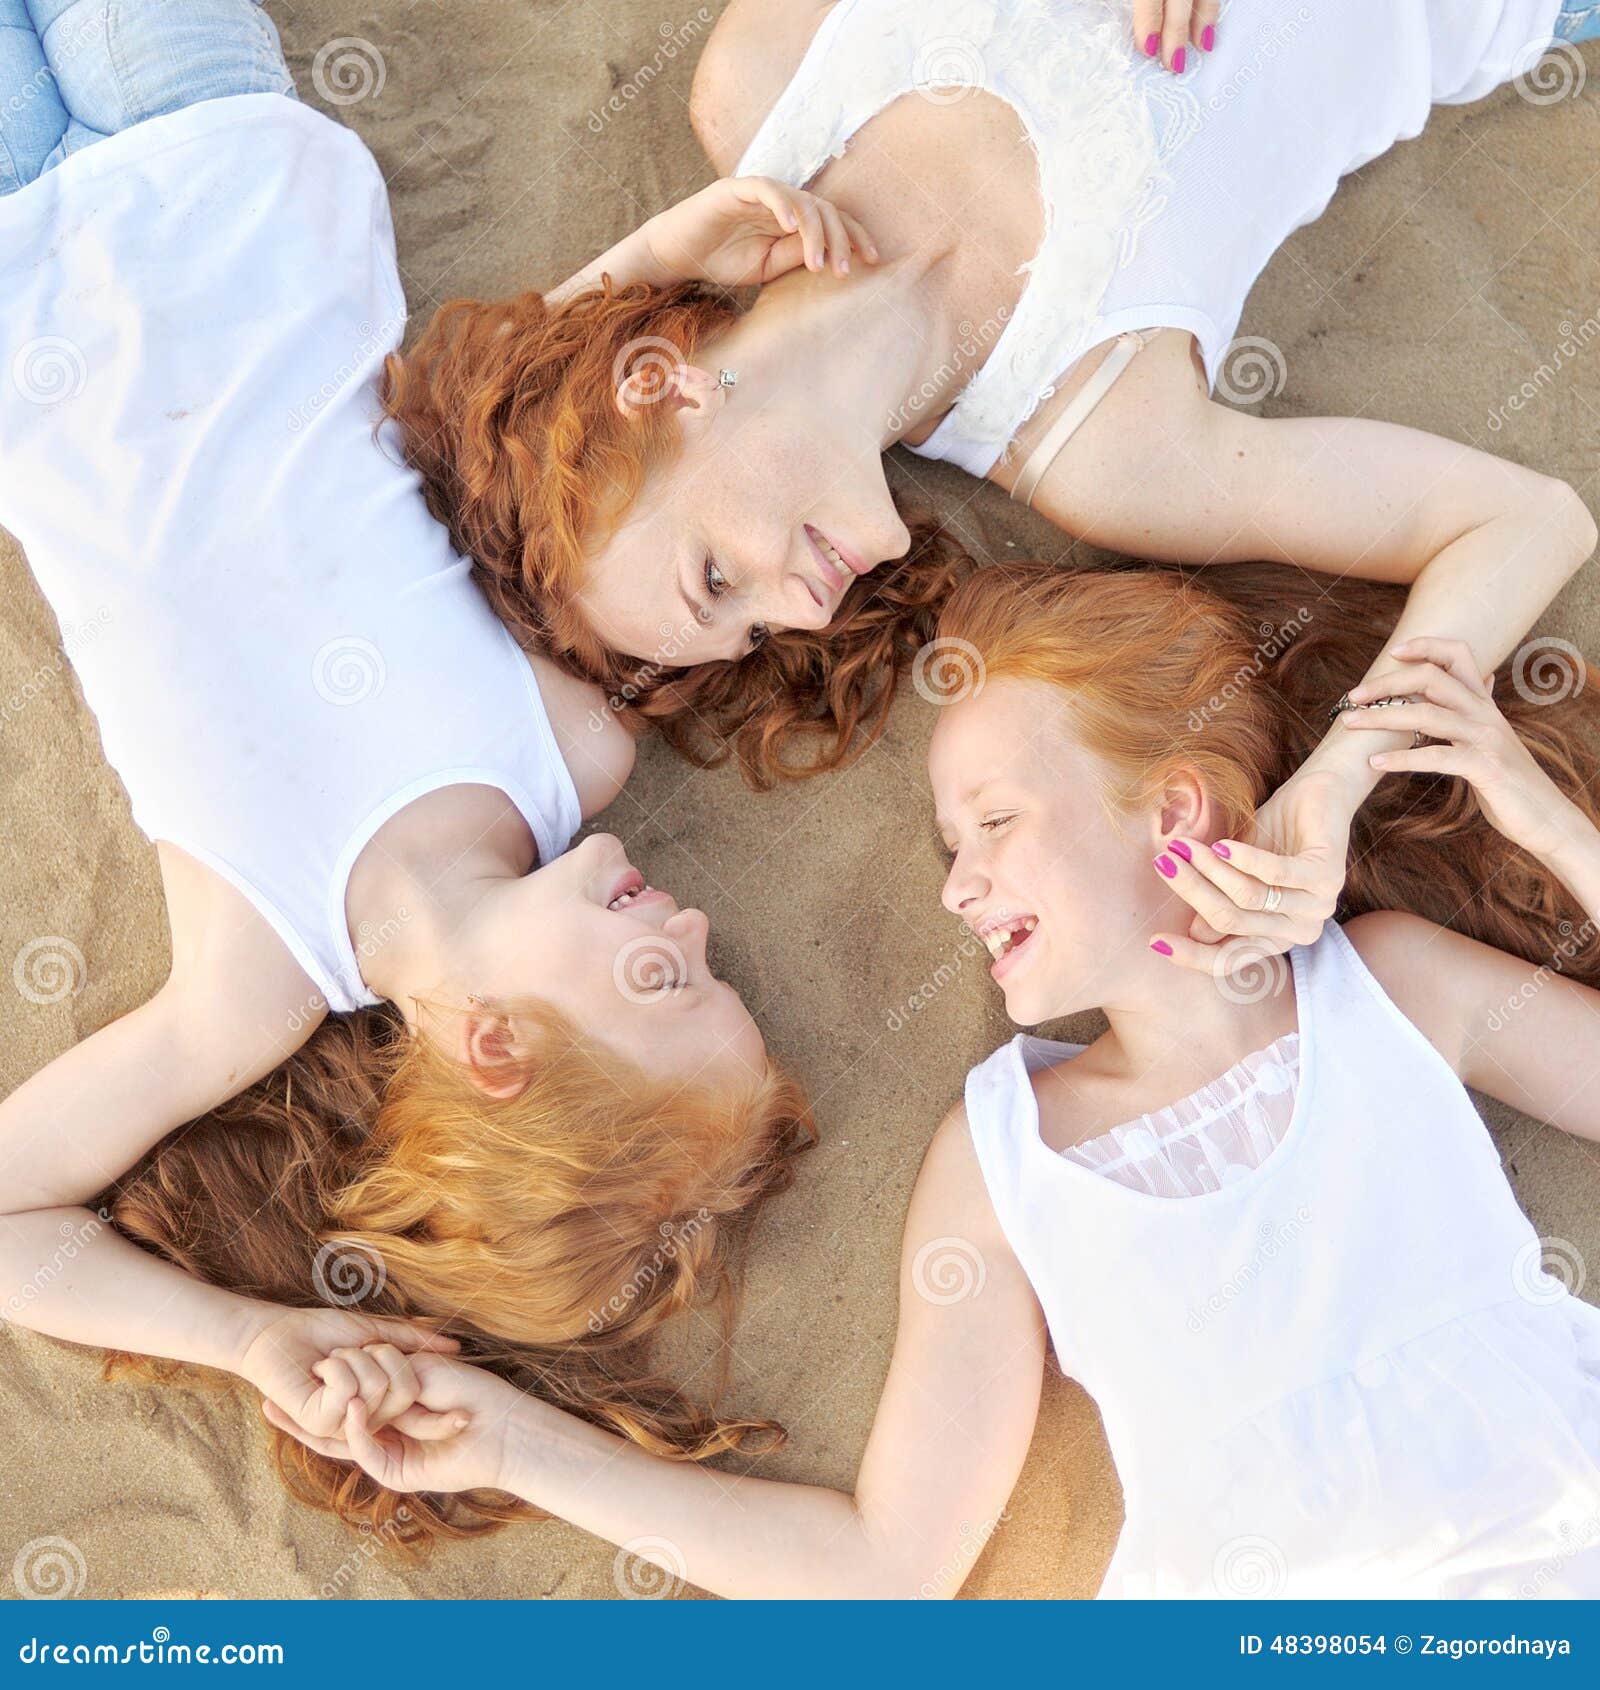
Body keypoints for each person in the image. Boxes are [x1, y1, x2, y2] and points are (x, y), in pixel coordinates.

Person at [269, 562, 1600, 1597]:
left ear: (1176, 812)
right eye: (950, 841)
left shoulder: (1397, 991)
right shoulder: (1002, 1158)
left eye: (997, 824)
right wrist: (506, 1445)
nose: (958, 884)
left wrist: (1542, 819)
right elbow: (888, 1566)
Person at [0, 0, 864, 1537]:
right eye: (710, 962)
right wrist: (663, 257)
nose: (690, 928)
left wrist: (258, 1340)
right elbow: (506, 449)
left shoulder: (252, 973)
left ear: (498, 1052)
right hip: (217, 153)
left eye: (662, 984)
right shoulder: (569, 741)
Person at [380, 0, 1597, 954]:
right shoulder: (1103, 441)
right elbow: (1522, 521)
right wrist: (1333, 783)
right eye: (749, 631)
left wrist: (647, 260)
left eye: (715, 576)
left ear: (656, 389)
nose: (799, 609)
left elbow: (431, 400)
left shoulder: (766, 83)